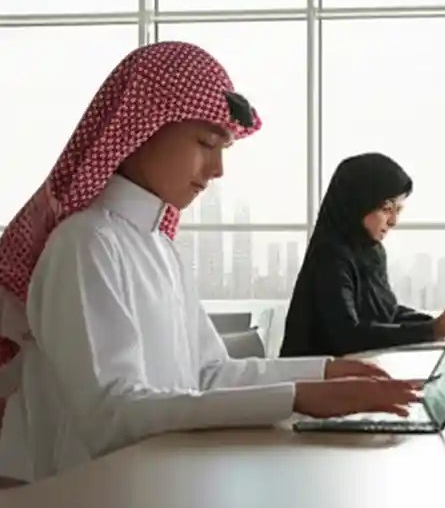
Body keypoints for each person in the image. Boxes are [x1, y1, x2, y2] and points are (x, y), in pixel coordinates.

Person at [0, 42, 422, 484]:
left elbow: (208, 373)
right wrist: (299, 397)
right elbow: (113, 414)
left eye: (224, 148)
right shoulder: (85, 244)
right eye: (205, 143)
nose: (217, 168)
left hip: (151, 493)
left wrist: (326, 372)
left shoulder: (157, 247)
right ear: (141, 126)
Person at [279, 153, 445, 358]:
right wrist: (433, 329)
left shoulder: (371, 251)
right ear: (357, 203)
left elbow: (386, 312)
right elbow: (346, 337)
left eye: (399, 210)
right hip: (314, 380)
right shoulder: (330, 256)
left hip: (349, 370)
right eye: (387, 209)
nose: (394, 221)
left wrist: (438, 323)